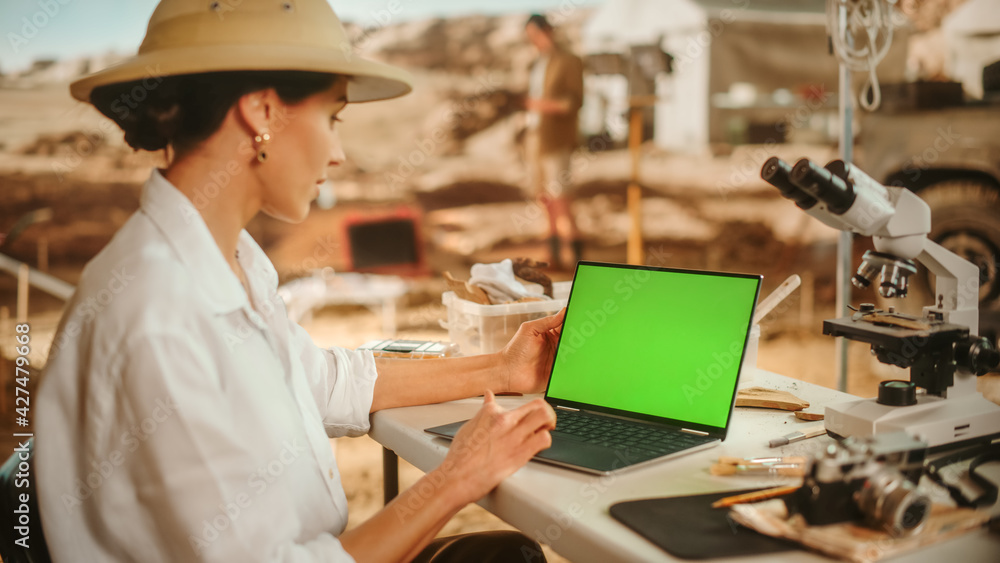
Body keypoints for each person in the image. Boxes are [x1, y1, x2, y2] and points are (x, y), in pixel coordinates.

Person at [32, 1, 563, 561]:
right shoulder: (157, 317)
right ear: (262, 111)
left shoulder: (231, 256)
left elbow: (322, 381)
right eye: (332, 119)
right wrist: (458, 476)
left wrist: (504, 368)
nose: (337, 154)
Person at [523, 14, 585, 270]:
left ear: (547, 30)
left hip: (556, 140)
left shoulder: (568, 61)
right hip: (536, 137)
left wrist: (537, 105)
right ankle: (554, 253)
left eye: (536, 34)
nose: (534, 41)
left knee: (561, 198)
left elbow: (572, 102)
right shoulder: (538, 63)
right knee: (544, 198)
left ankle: (576, 255)